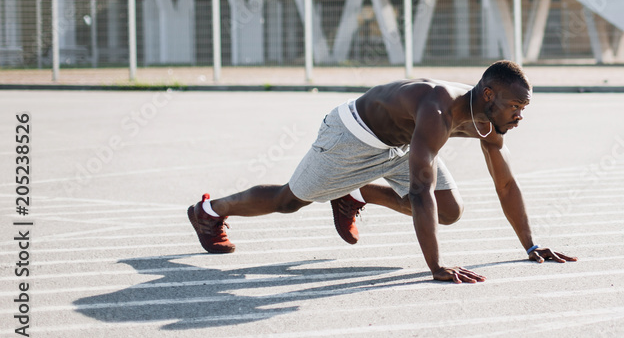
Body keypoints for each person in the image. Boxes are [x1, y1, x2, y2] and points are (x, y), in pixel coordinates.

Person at [187, 60, 576, 283]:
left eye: (524, 109)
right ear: (489, 95)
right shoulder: (438, 108)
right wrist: (436, 267)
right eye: (515, 107)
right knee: (289, 201)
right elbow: (420, 191)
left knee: (451, 210)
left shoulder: (490, 123)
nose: (520, 116)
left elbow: (505, 184)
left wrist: (530, 245)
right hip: (352, 135)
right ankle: (208, 212)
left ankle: (357, 193)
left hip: (403, 144)